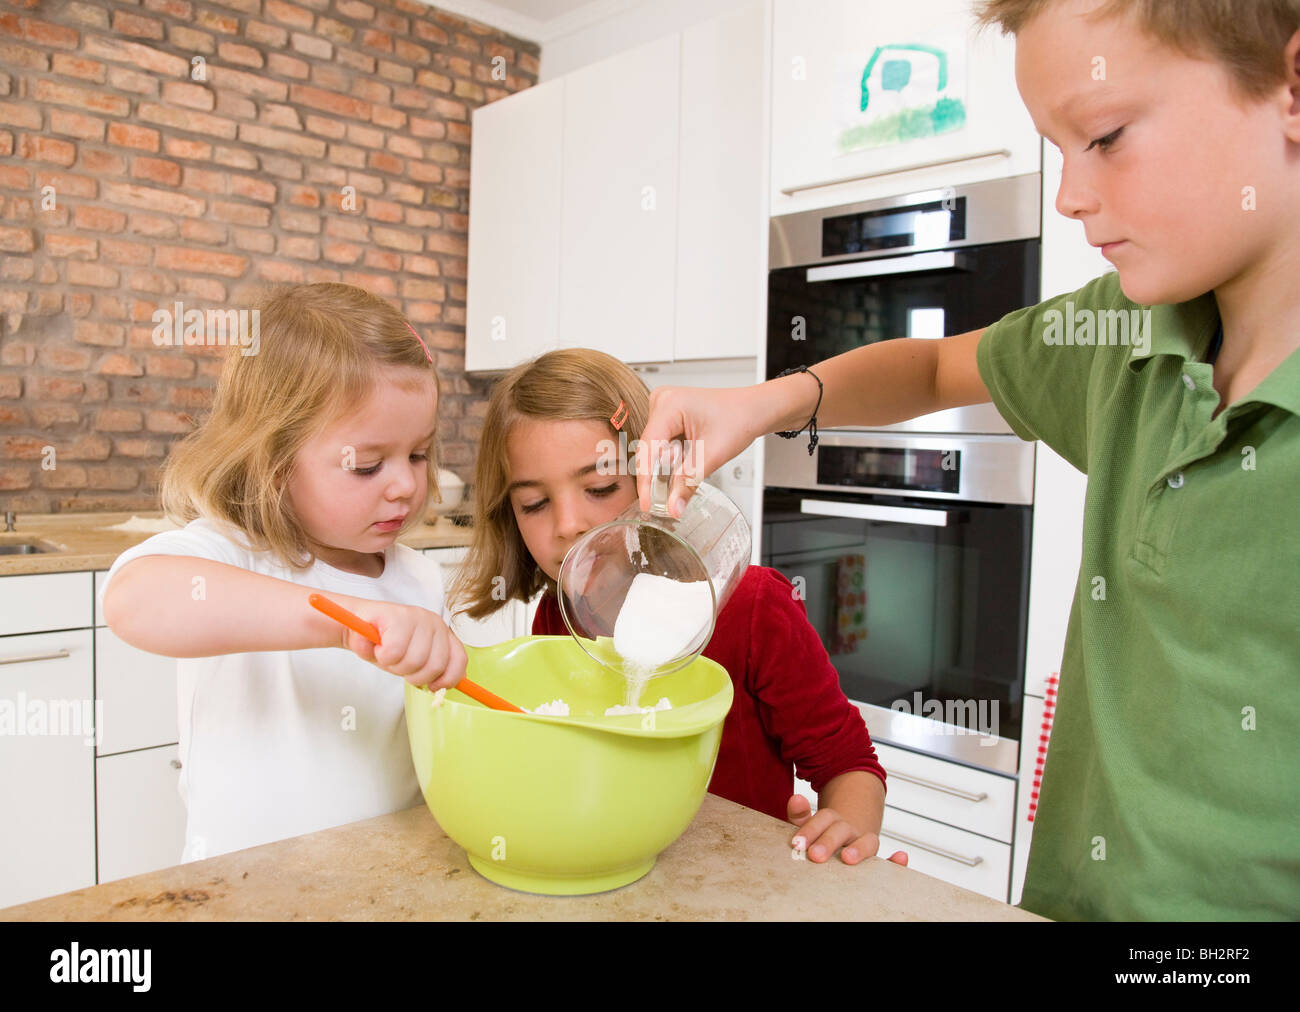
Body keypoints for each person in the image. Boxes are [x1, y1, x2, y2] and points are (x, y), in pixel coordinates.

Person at [636, 0, 1300, 920]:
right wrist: (760, 404)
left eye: (1105, 137)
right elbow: (935, 363)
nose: (1069, 193)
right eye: (1055, 148)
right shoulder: (1125, 335)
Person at [450, 348, 908, 867]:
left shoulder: (753, 608)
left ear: (659, 478)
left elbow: (848, 763)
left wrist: (841, 833)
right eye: (534, 503)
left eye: (600, 488)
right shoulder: (555, 619)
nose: (569, 524)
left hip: (738, 885)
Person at [100, 283, 467, 863]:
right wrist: (343, 621)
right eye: (368, 465)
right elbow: (133, 600)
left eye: (418, 455)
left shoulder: (420, 579)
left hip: (380, 880)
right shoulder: (234, 553)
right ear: (272, 462)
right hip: (244, 889)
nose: (405, 484)